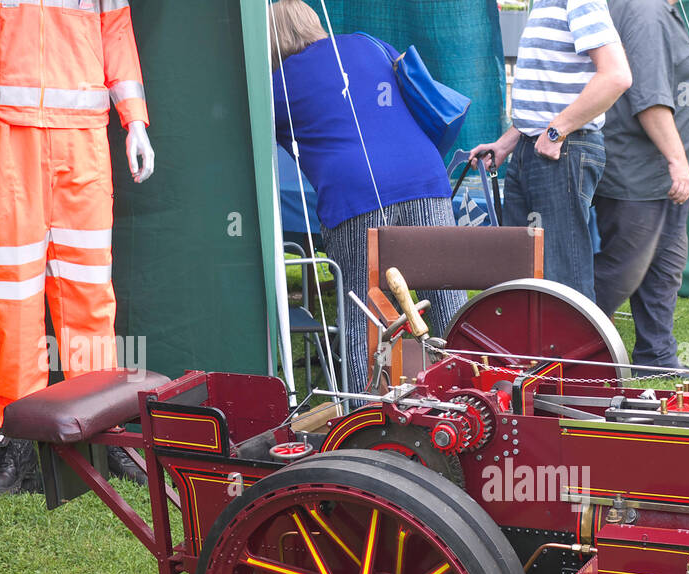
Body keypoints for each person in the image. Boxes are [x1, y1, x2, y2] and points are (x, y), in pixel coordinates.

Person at [0, 0, 155, 494]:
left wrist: (134, 119)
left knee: (90, 292)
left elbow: (115, 27)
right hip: (1, 135)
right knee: (10, 298)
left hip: (83, 141)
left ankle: (103, 431)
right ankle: (18, 436)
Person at [270, 0, 465, 394]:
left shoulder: (277, 84)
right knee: (449, 303)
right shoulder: (368, 43)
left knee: (364, 314)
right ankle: (472, 399)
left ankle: (366, 416)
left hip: (354, 195)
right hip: (425, 175)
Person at [468, 0, 632, 299]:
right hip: (535, 149)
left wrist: (557, 132)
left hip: (563, 150)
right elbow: (548, 93)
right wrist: (508, 142)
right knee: (520, 274)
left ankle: (571, 347)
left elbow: (616, 75)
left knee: (562, 280)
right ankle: (528, 347)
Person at [592, 0, 689, 372]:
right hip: (641, 173)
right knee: (623, 269)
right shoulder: (644, 9)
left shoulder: (659, 9)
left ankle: (657, 355)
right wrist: (678, 160)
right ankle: (563, 346)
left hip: (661, 176)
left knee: (663, 267)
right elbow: (649, 96)